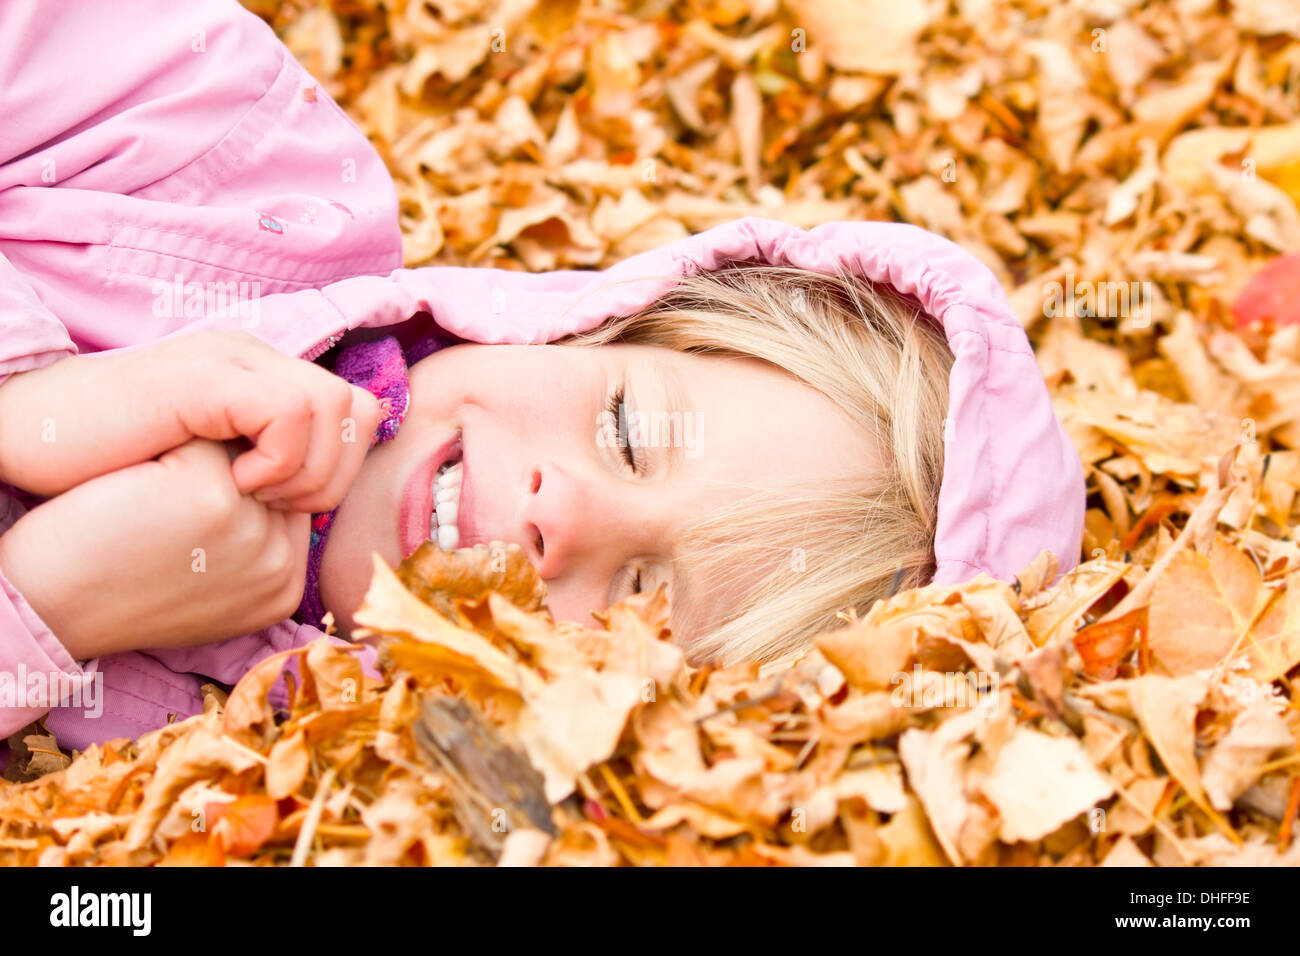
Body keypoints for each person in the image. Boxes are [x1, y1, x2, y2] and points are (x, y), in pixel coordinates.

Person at [0, 0, 1085, 756]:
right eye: (624, 432)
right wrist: (32, 396)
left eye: (643, 600)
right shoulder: (219, 156)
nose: (561, 515)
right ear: (591, 326)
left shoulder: (223, 799)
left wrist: (43, 611)